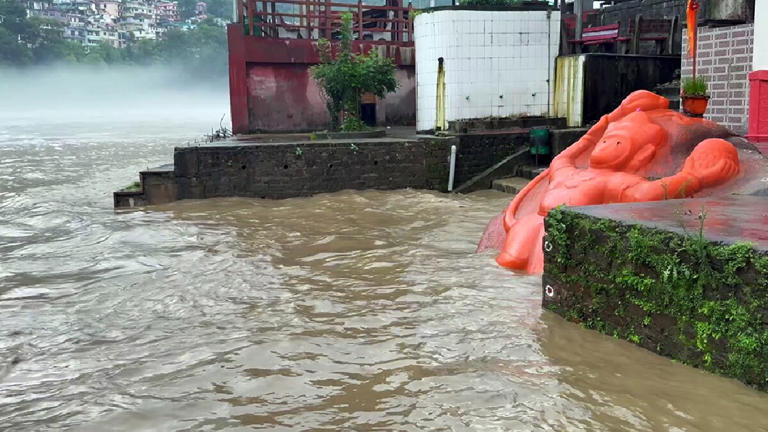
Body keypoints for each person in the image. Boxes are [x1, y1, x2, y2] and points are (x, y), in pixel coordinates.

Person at [482, 90, 740, 273]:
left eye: (618, 142)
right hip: (529, 226)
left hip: (561, 233)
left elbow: (647, 194)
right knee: (508, 264)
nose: (605, 145)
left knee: (540, 271)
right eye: (605, 140)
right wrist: (610, 119)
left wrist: (695, 178)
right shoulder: (569, 171)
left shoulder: (617, 181)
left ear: (642, 155)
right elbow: (568, 154)